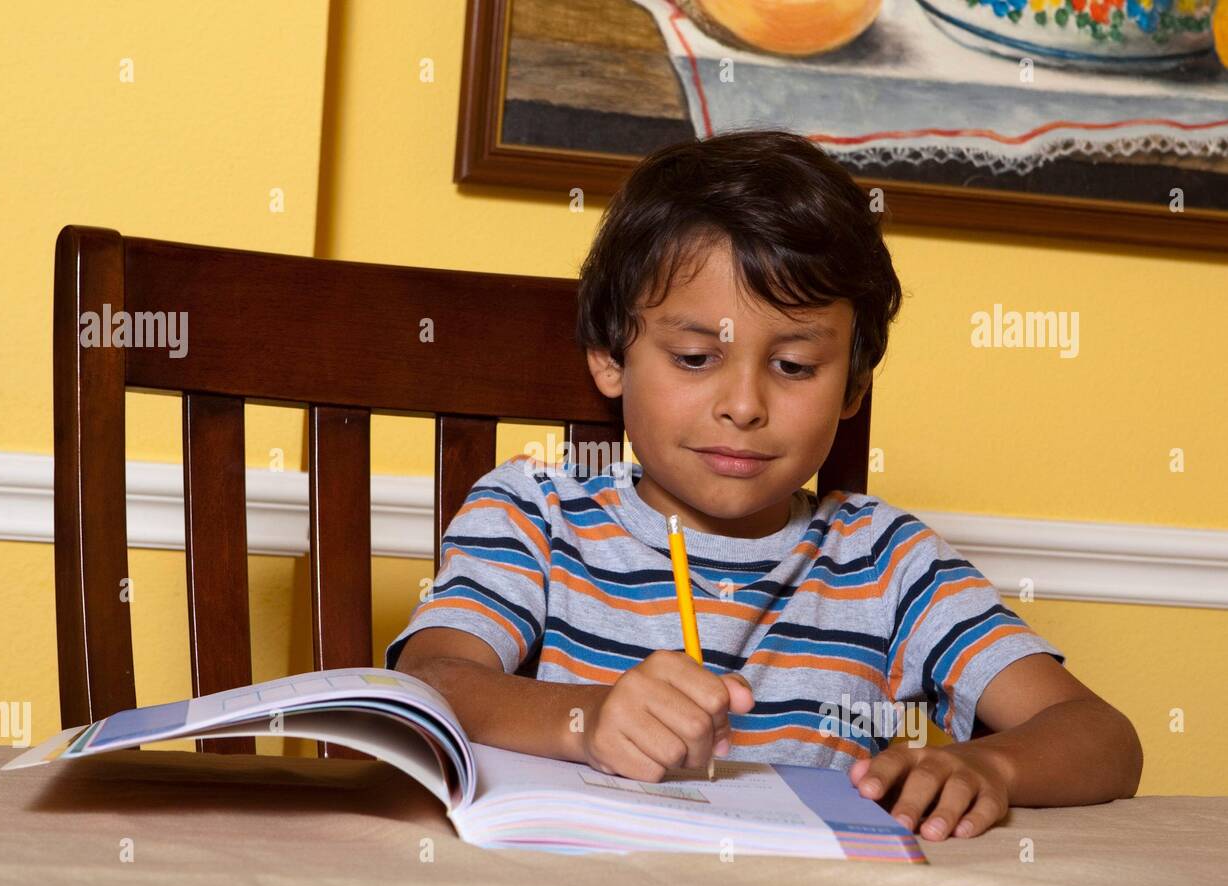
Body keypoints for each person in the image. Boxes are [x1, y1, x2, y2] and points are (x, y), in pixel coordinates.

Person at [384, 129, 1142, 842]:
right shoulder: (537, 511)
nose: (744, 405)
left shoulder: (887, 560)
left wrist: (989, 765)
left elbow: (1103, 737)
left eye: (794, 367)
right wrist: (586, 716)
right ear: (612, 355)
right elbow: (432, 678)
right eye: (693, 357)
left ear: (853, 384)